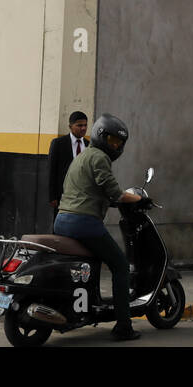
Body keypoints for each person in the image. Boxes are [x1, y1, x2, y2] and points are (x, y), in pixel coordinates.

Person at [54, 112, 147, 341]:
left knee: (92, 262)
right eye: (112, 140)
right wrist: (141, 199)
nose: (115, 146)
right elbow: (115, 192)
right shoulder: (100, 157)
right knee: (120, 265)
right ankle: (124, 326)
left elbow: (91, 189)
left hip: (63, 220)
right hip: (83, 222)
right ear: (100, 136)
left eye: (118, 142)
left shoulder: (83, 156)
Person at [48, 110, 90, 212]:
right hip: (63, 195)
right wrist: (52, 196)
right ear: (70, 126)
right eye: (79, 125)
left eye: (85, 125)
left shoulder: (89, 145)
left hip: (83, 196)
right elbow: (52, 170)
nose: (83, 128)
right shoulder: (58, 144)